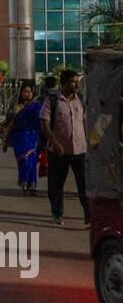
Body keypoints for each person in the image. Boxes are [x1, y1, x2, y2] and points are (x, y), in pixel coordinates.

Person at [40, 69, 89, 228]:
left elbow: (86, 122)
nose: (76, 84)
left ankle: (89, 216)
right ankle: (57, 213)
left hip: (80, 150)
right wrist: (54, 142)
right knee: (56, 185)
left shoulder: (80, 99)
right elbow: (44, 122)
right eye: (73, 82)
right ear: (64, 83)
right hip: (58, 151)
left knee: (84, 185)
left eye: (77, 81)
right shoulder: (52, 100)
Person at [1, 82, 43, 193]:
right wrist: (5, 141)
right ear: (21, 93)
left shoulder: (36, 105)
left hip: (33, 136)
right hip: (19, 137)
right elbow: (11, 125)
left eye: (30, 91)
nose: (28, 93)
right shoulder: (17, 107)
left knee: (32, 160)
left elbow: (42, 122)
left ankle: (31, 183)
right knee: (23, 160)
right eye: (25, 91)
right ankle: (25, 181)